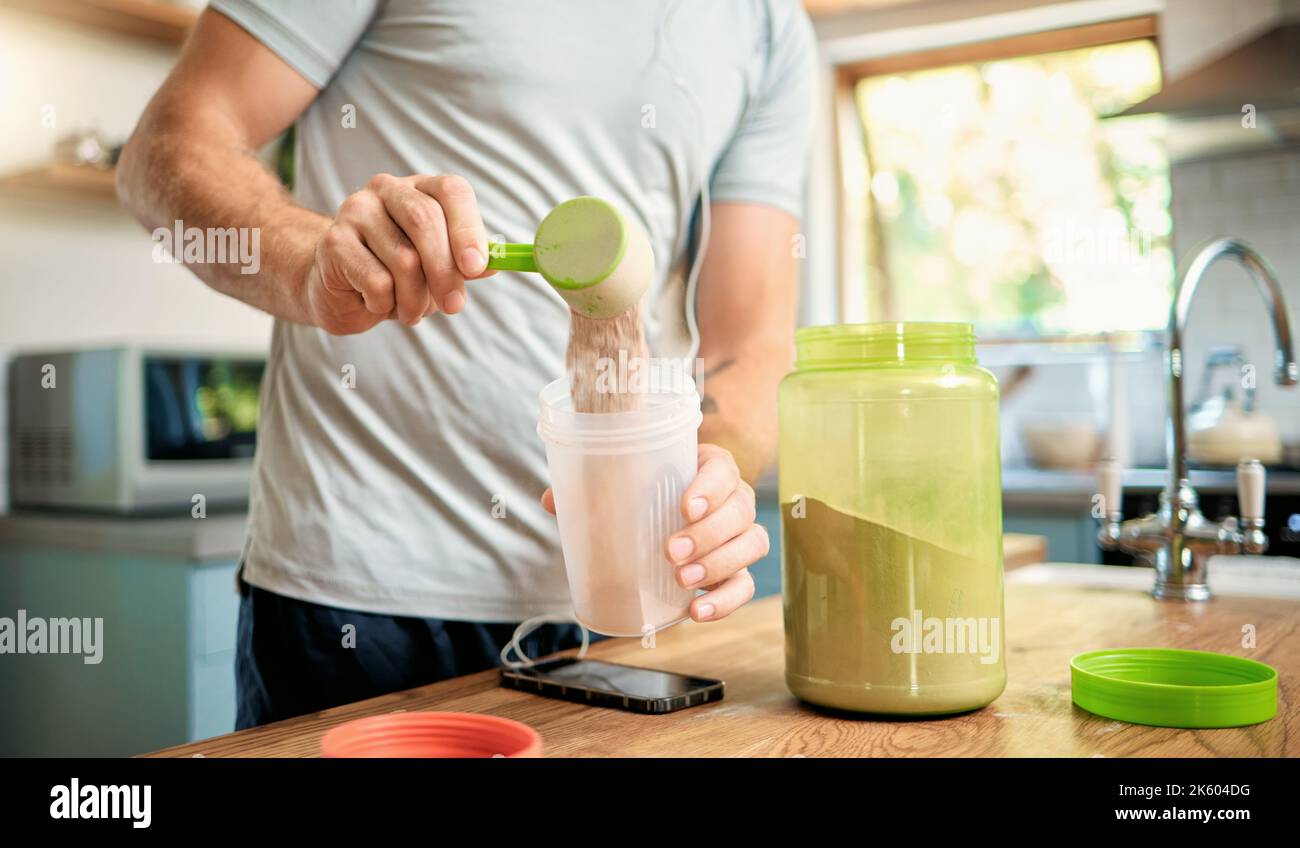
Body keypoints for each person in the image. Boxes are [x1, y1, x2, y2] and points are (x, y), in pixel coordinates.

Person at [117, 0, 816, 728]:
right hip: (356, 604)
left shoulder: (768, 28)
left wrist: (713, 478)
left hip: (616, 616)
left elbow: (751, 345)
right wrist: (311, 265)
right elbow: (164, 149)